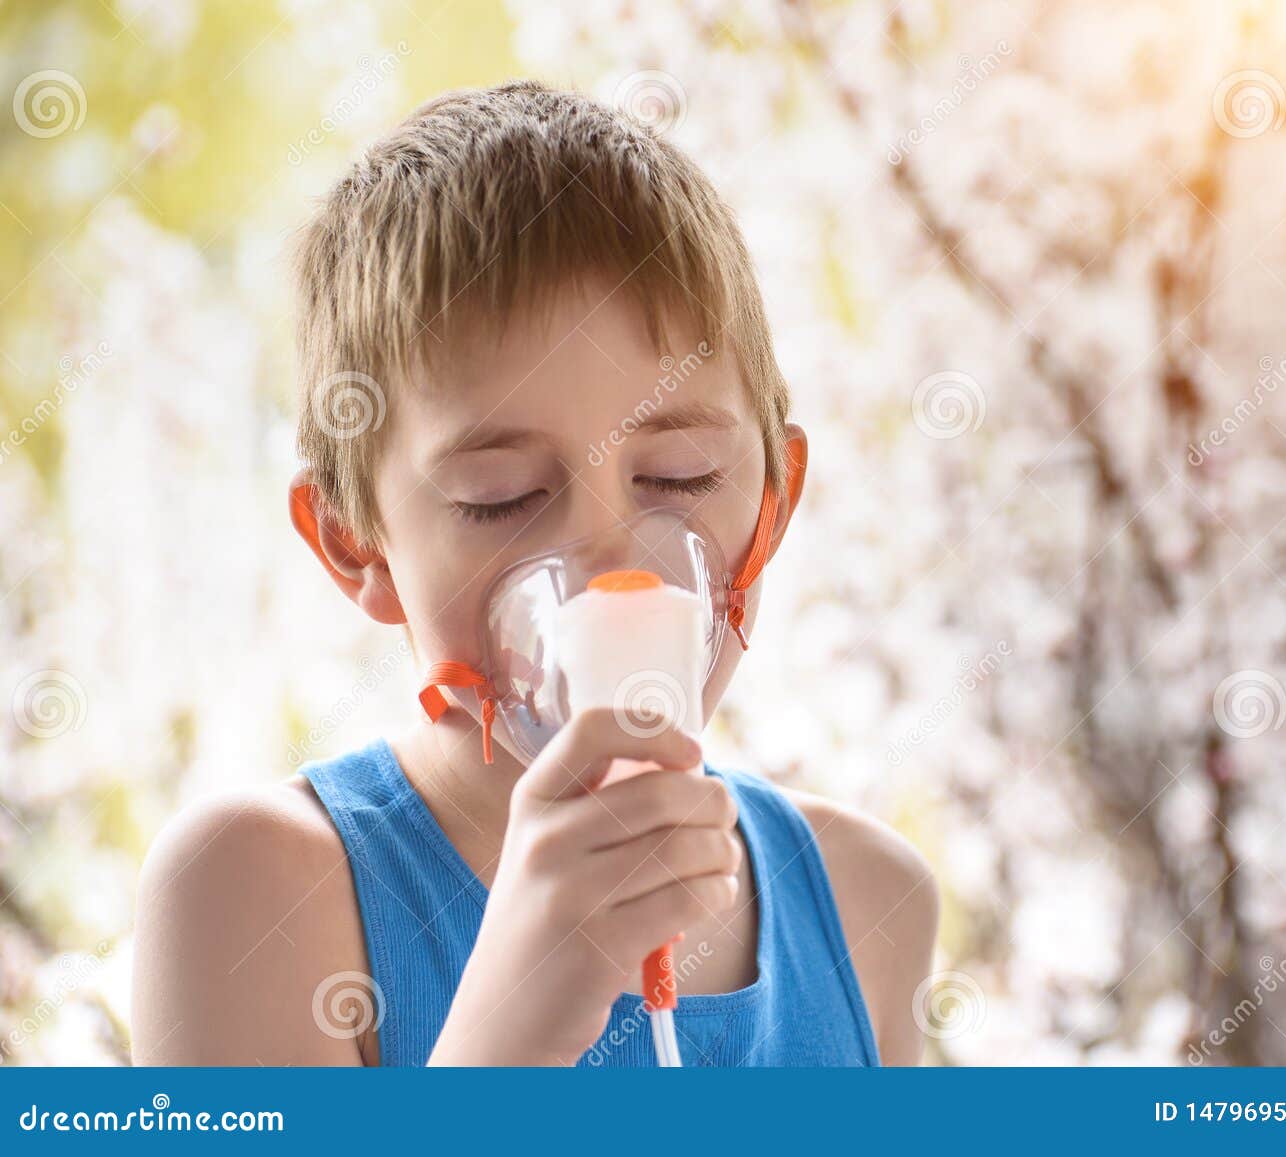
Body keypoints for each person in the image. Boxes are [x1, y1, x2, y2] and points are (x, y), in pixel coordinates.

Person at [132, 80, 938, 1067]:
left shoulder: (866, 904)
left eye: (679, 478)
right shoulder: (255, 890)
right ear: (355, 541)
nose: (611, 569)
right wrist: (509, 1029)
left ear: (774, 494)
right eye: (500, 495)